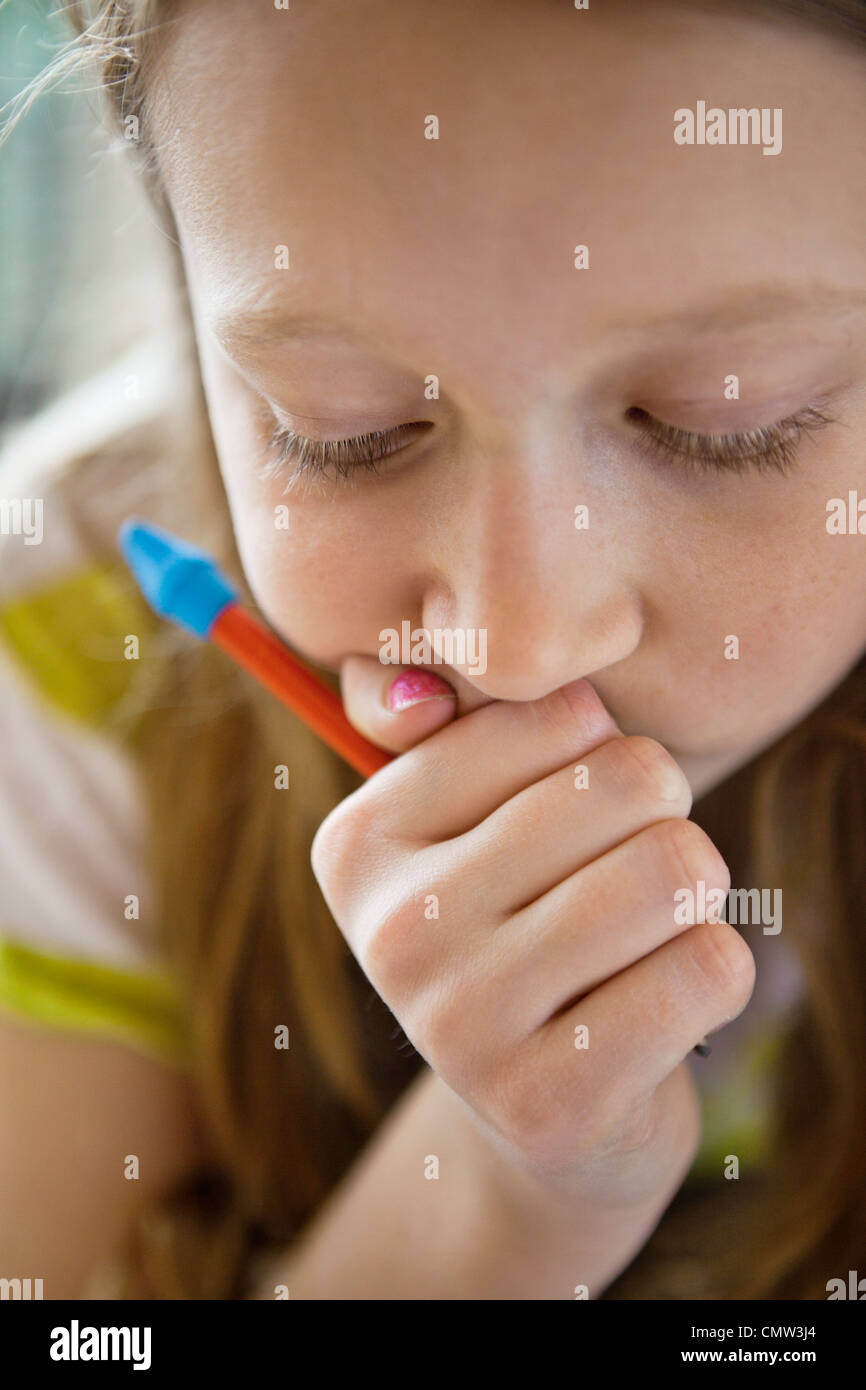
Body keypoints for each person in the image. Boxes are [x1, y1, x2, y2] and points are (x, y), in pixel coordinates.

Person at [0, 0, 864, 1300]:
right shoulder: (57, 687)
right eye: (340, 431)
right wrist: (506, 1199)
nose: (511, 643)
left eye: (722, 424)